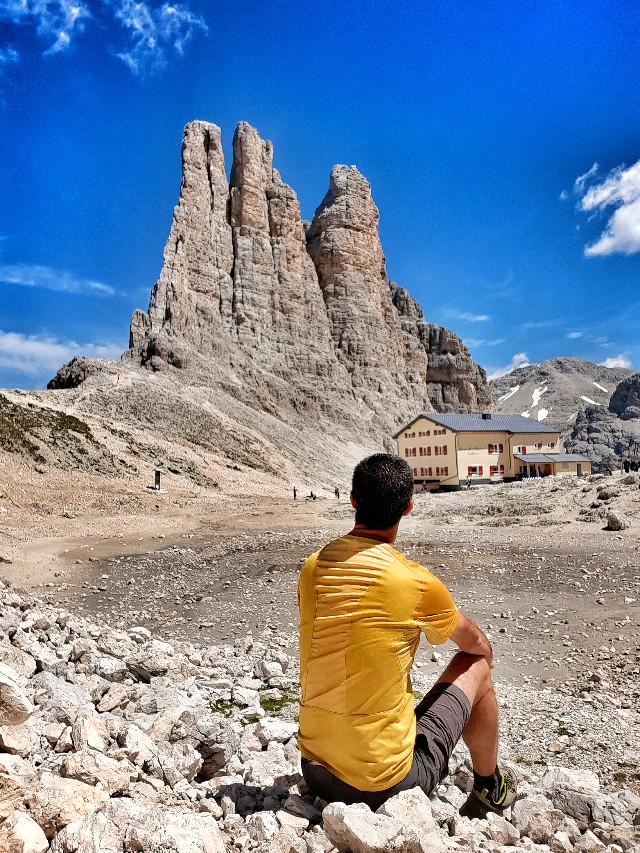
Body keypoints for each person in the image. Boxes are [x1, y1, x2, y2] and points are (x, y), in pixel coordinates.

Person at [297, 453, 517, 812]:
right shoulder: (413, 580)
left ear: (352, 500)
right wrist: (487, 659)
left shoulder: (312, 566)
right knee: (475, 665)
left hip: (315, 770)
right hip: (384, 784)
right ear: (409, 508)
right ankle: (489, 787)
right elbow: (474, 643)